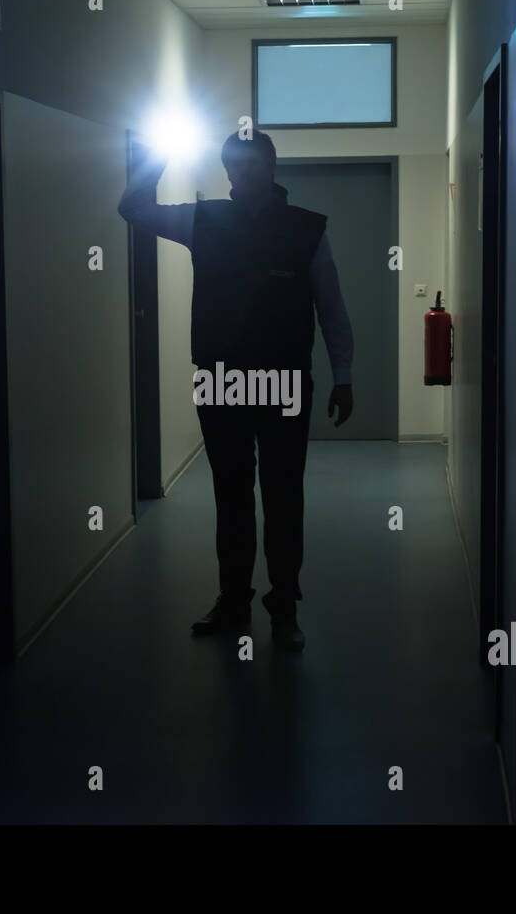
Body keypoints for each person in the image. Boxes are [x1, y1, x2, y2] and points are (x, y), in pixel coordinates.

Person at [117, 130, 354, 652]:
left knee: (284, 495)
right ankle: (233, 600)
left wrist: (344, 376)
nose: (241, 172)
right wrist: (158, 150)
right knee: (231, 494)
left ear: (271, 165)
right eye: (233, 164)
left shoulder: (306, 229)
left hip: (285, 381)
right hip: (220, 378)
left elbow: (331, 307)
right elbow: (132, 207)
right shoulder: (201, 219)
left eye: (251, 163)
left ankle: (285, 606)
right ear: (226, 170)